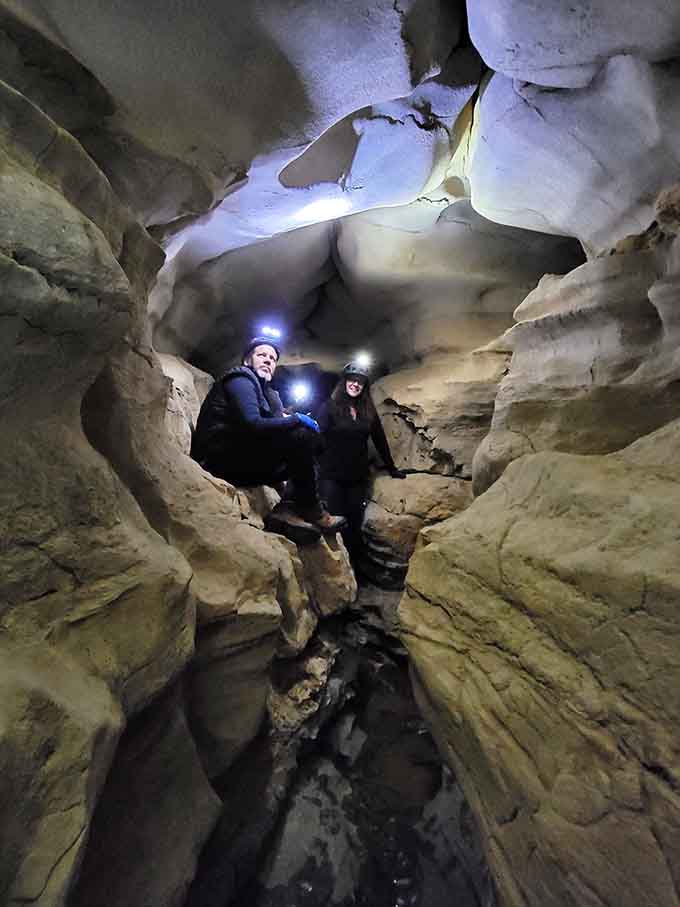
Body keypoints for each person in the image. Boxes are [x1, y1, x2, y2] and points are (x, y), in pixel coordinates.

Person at [191, 336, 346, 543]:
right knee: (300, 435)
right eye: (261, 355)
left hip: (241, 456)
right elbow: (253, 423)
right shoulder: (240, 379)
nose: (267, 360)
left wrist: (300, 427)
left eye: (272, 358)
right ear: (248, 360)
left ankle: (289, 508)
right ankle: (311, 509)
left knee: (310, 445)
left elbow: (277, 429)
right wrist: (295, 419)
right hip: (219, 459)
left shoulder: (268, 392)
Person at [316, 362, 405, 562]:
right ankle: (336, 569)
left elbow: (380, 439)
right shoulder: (330, 407)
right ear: (345, 382)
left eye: (360, 382)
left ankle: (355, 570)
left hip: (357, 477)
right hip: (332, 477)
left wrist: (392, 468)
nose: (356, 385)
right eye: (352, 380)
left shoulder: (367, 410)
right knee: (335, 521)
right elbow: (317, 436)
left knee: (355, 523)